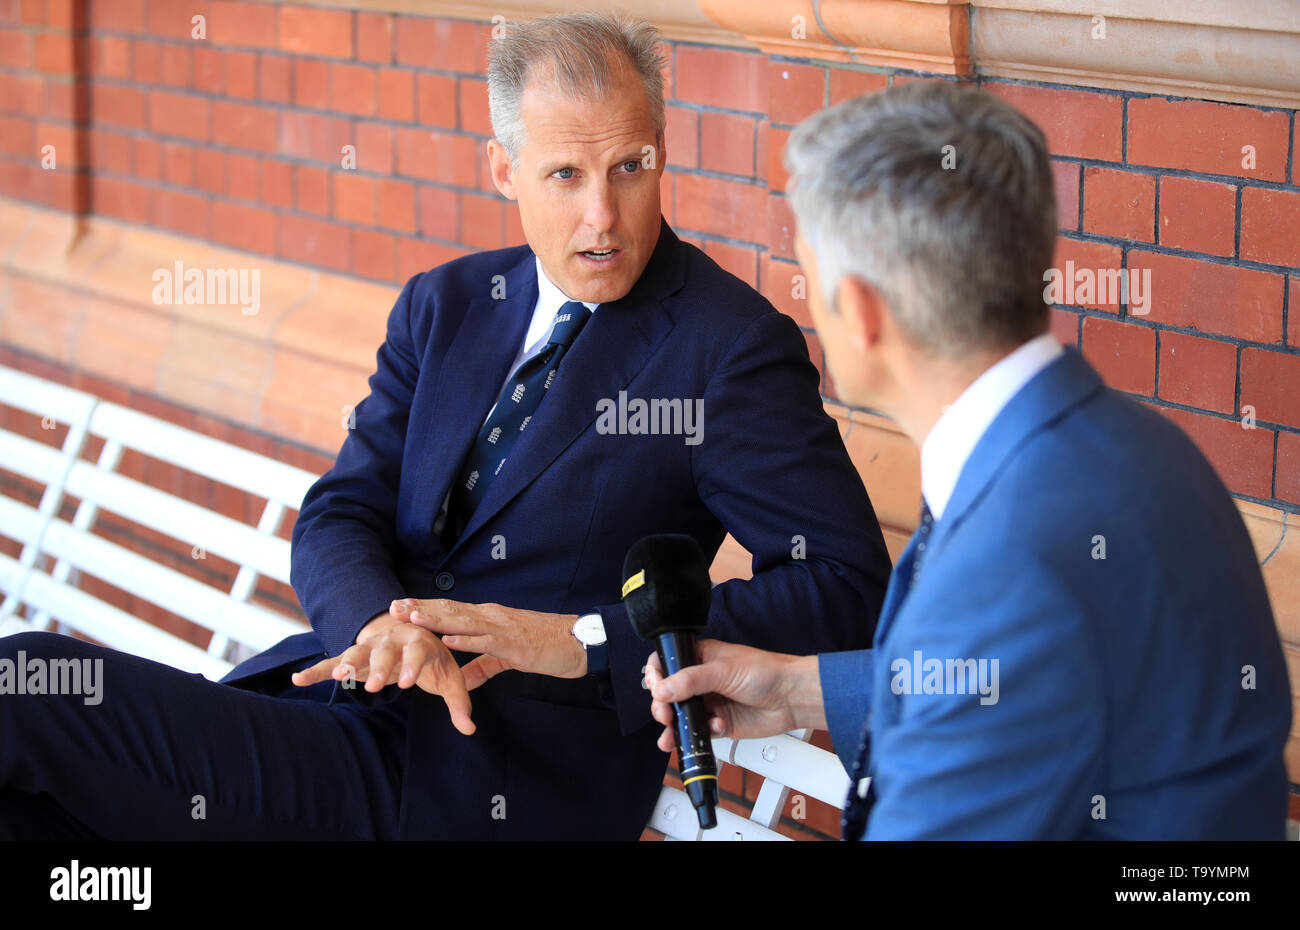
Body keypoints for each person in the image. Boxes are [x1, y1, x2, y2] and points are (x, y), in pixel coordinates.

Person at [0, 13, 891, 840]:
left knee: (24, 691)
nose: (603, 215)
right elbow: (341, 510)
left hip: (492, 788)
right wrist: (373, 627)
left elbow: (847, 586)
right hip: (343, 717)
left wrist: (584, 641)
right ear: (504, 171)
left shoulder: (726, 346)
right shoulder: (448, 305)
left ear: (662, 153)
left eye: (631, 166)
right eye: (565, 175)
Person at [646, 81, 1293, 840]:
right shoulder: (1133, 444)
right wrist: (798, 691)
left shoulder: (1010, 556)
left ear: (860, 312)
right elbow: (1019, 684)